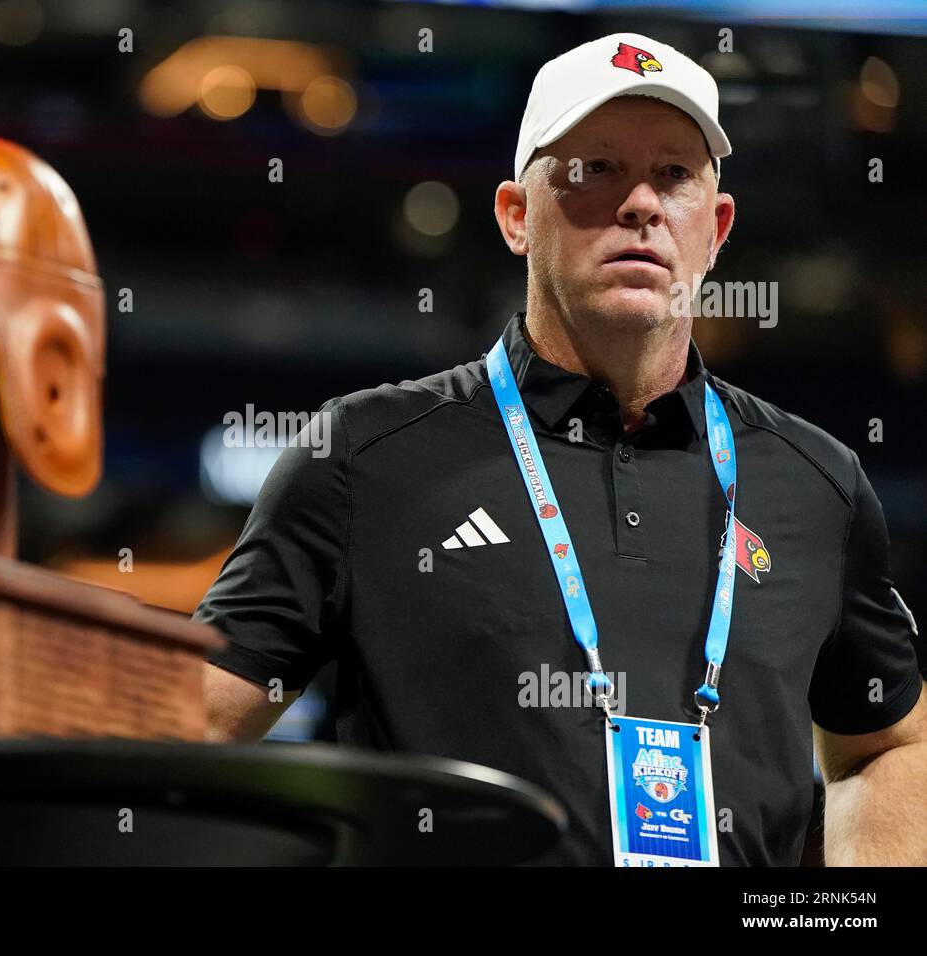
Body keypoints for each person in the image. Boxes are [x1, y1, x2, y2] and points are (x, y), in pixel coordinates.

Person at [194, 33, 926, 865]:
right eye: (595, 170)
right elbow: (194, 730)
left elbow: (891, 742)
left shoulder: (816, 483)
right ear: (515, 215)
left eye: (675, 175)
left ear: (716, 229)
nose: (641, 204)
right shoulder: (362, 457)